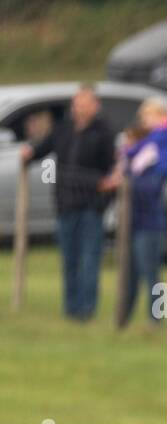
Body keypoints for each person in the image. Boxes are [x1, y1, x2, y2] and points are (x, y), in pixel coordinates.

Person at [20, 85, 117, 321]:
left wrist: (106, 190)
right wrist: (29, 153)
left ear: (95, 106)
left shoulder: (104, 133)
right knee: (69, 258)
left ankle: (87, 310)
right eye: (77, 103)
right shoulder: (63, 129)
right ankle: (71, 308)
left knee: (89, 259)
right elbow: (43, 149)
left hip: (91, 206)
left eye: (85, 103)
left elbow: (112, 170)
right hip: (65, 204)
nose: (80, 108)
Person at [113, 98, 167, 327]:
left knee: (150, 271)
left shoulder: (166, 146)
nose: (143, 122)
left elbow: (155, 184)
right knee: (130, 271)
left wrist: (129, 181)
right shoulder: (144, 145)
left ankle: (156, 319)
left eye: (148, 117)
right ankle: (124, 317)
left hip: (151, 219)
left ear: (161, 117)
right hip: (134, 217)